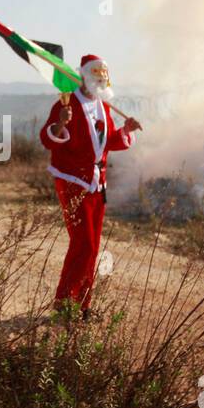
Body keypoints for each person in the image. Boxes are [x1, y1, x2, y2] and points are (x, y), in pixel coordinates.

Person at [38, 55, 141, 318]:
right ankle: (64, 306)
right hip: (73, 181)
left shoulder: (103, 107)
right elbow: (48, 140)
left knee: (93, 245)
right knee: (82, 243)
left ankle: (82, 305)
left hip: (97, 183)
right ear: (83, 76)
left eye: (102, 79)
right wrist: (61, 121)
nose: (99, 83)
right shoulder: (67, 103)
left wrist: (126, 129)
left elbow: (106, 144)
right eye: (95, 78)